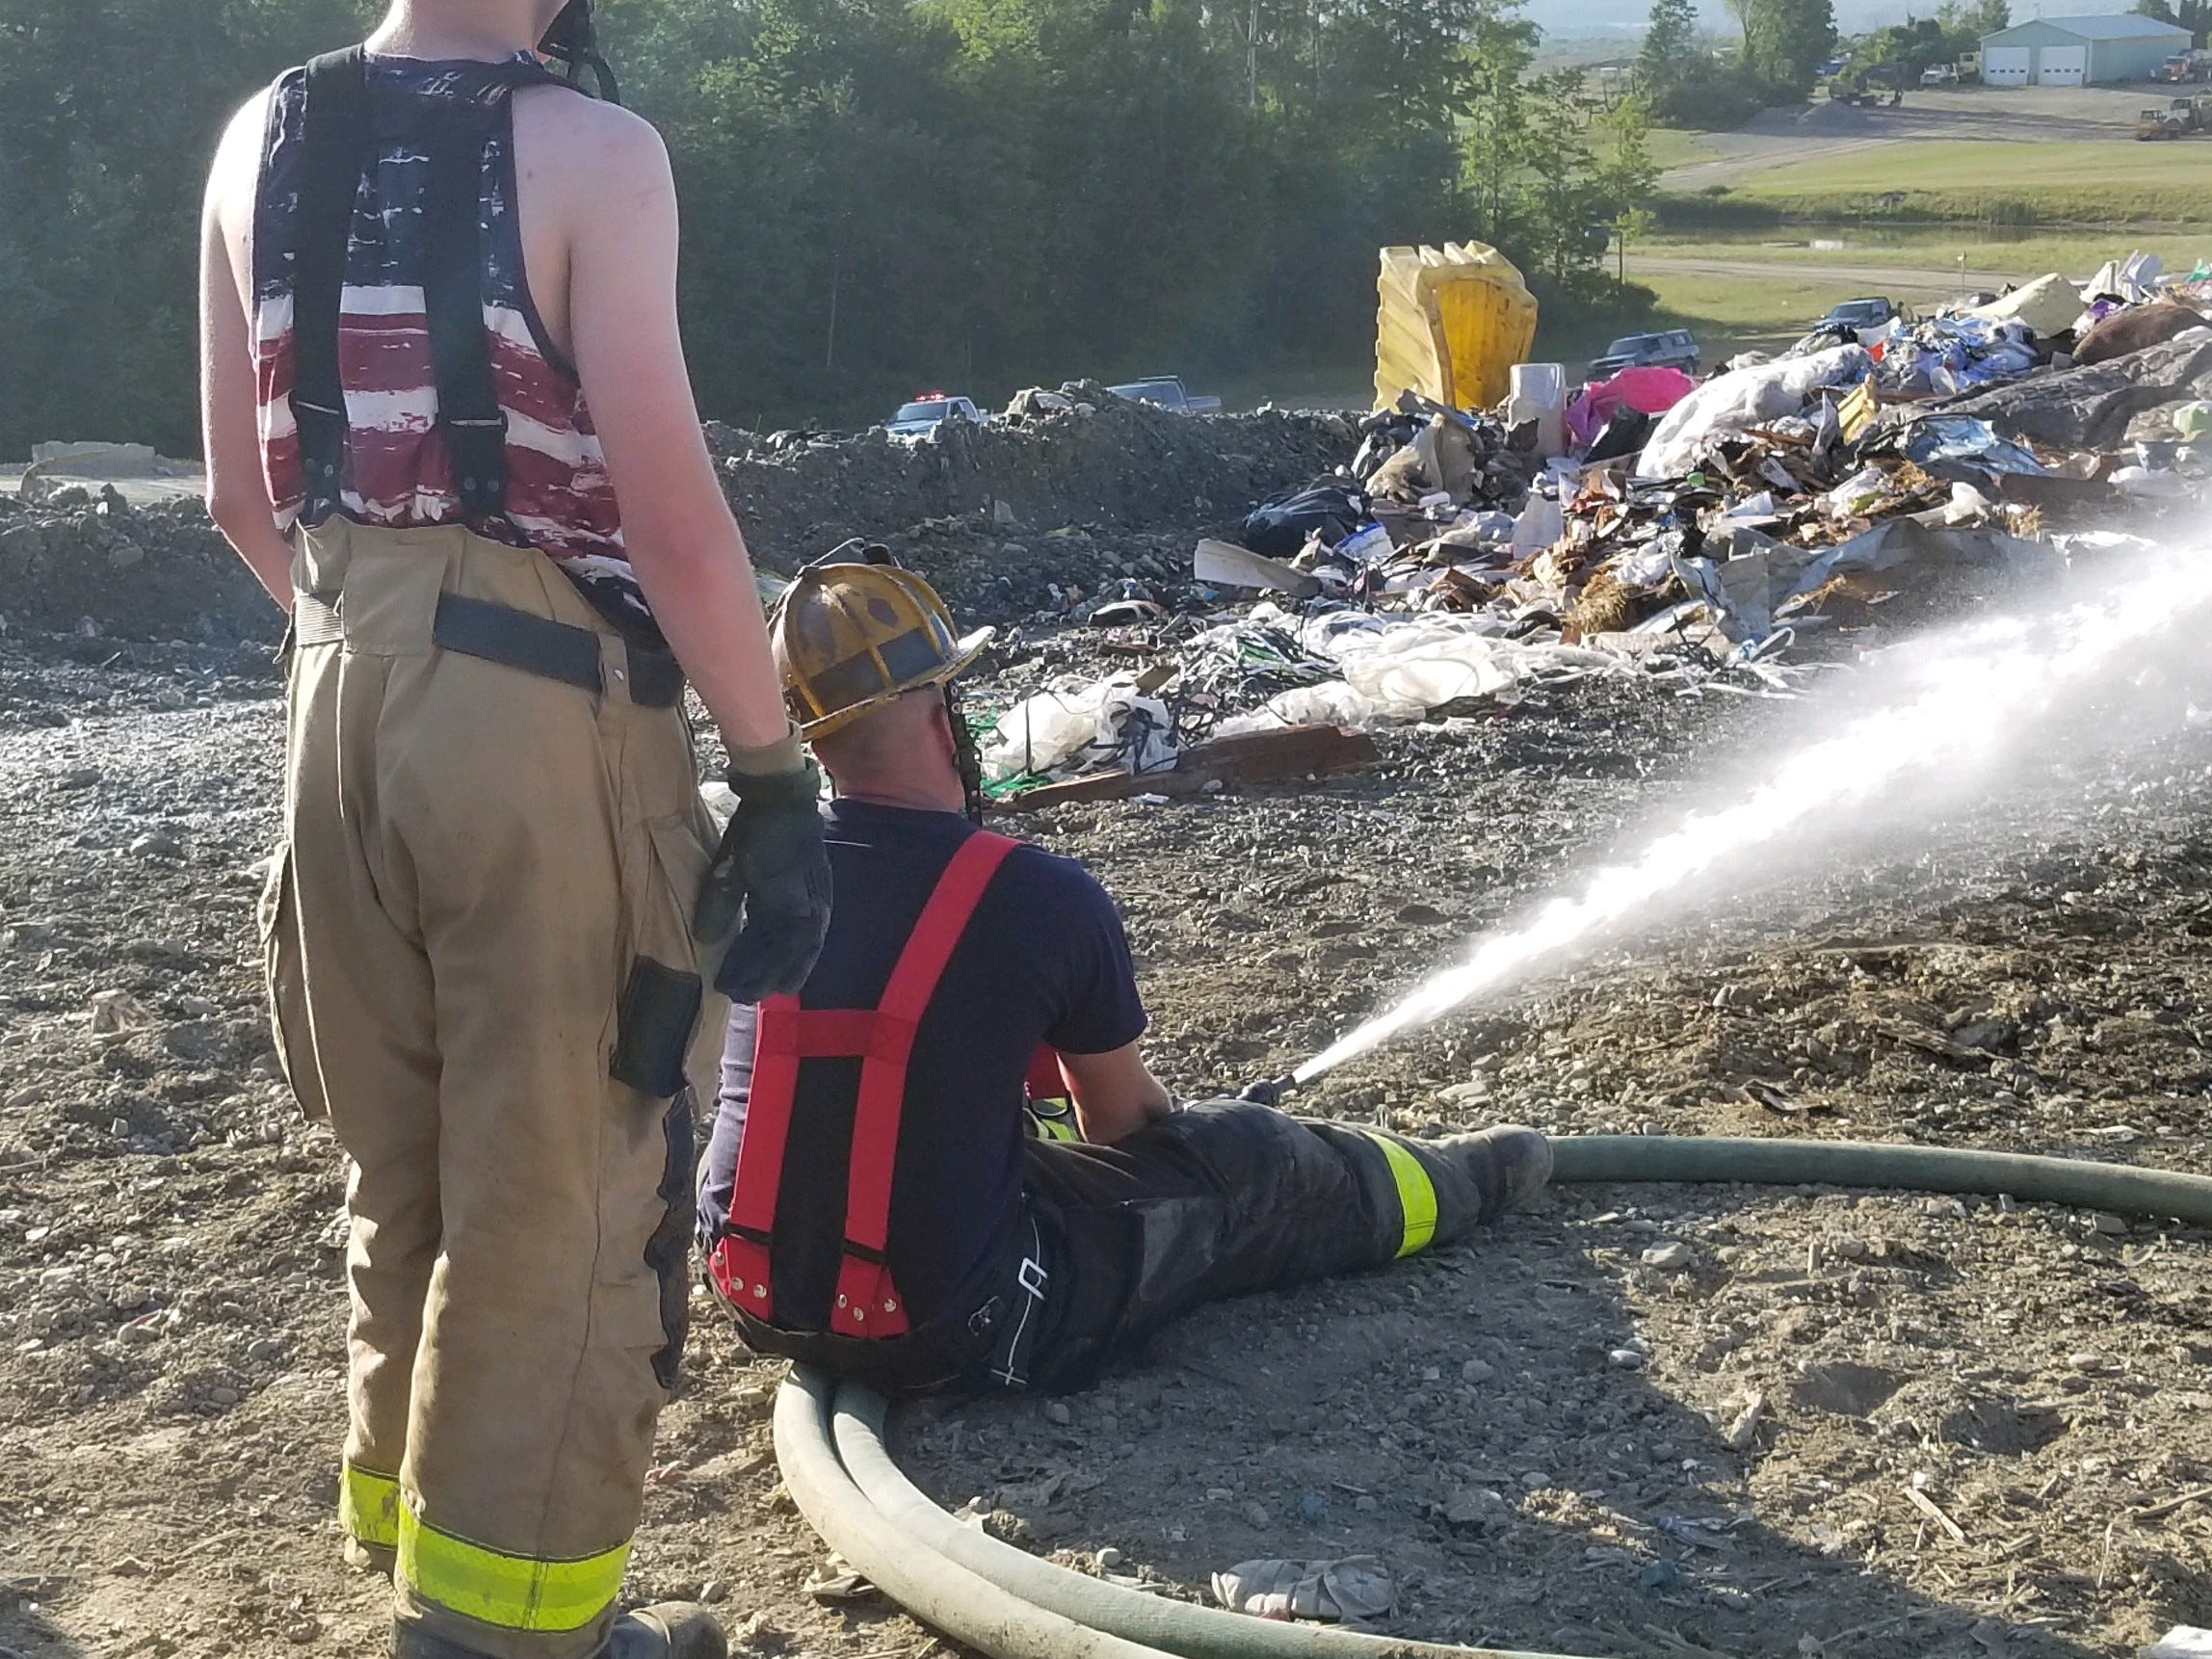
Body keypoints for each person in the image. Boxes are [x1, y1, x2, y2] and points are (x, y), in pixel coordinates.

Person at [198, 4, 830, 1655]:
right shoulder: (593, 156)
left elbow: (234, 500)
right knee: (560, 1180)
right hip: (540, 710)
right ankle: (502, 1629)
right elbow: (678, 523)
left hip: (332, 691)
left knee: (398, 1158)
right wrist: (770, 775)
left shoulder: (253, 138)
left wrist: (383, 644)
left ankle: (418, 1557)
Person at [695, 551, 1551, 1397]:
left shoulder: (771, 881)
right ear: (940, 713)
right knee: (1240, 1163)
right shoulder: (1038, 895)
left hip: (754, 1287)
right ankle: (1472, 1180)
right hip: (960, 1321)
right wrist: (1191, 1136)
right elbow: (1124, 1127)